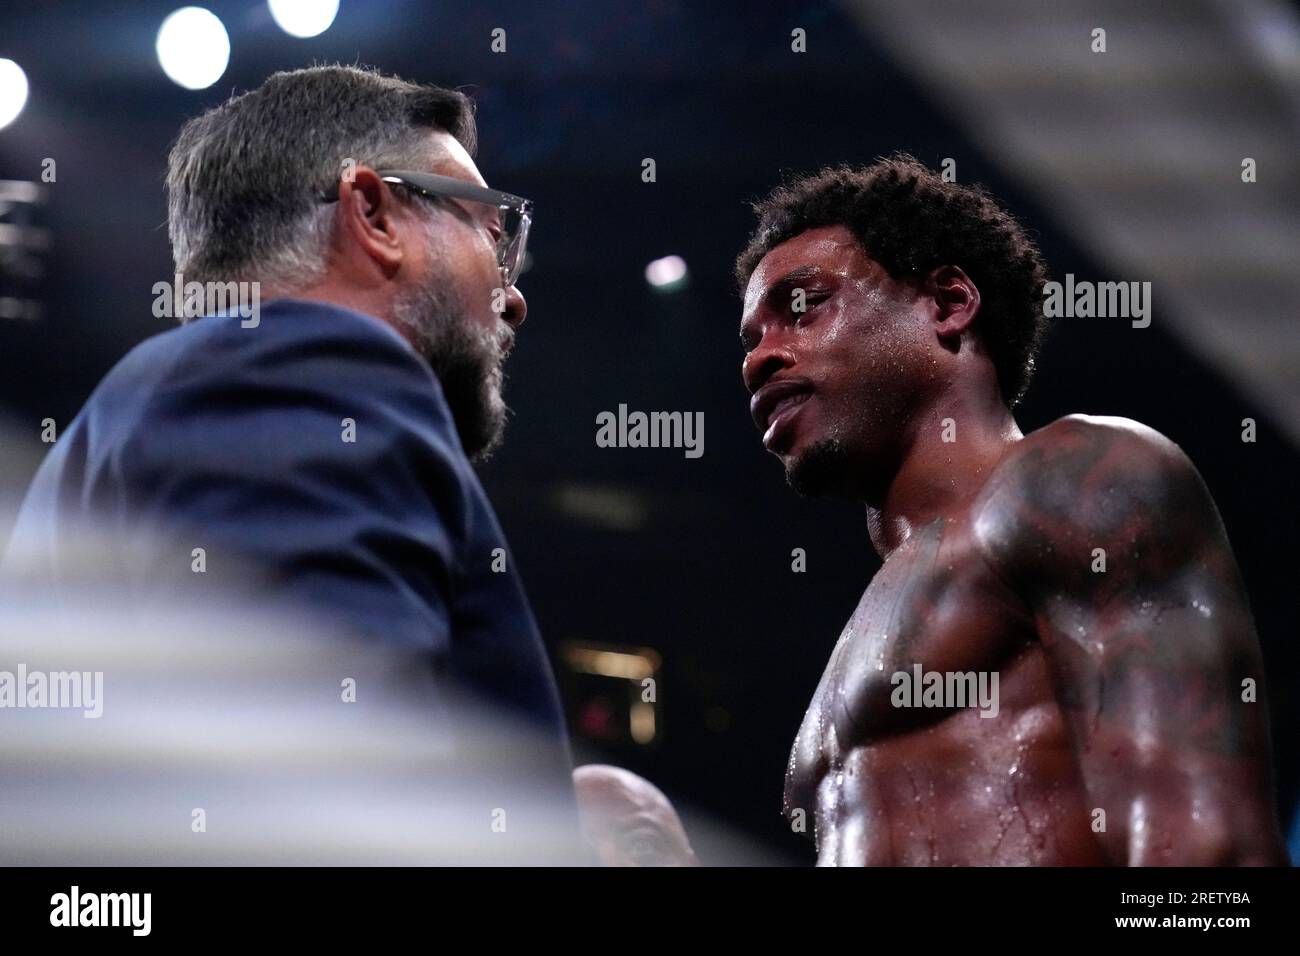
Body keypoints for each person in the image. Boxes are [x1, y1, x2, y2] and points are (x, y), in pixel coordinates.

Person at [4, 65, 577, 860]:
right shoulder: (304, 366)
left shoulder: (141, 416)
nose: (513, 296)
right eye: (491, 230)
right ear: (373, 212)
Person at [734, 154, 1288, 865]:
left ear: (946, 304)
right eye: (751, 339)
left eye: (802, 306)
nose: (760, 358)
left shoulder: (1083, 478)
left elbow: (1212, 863)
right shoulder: (873, 617)